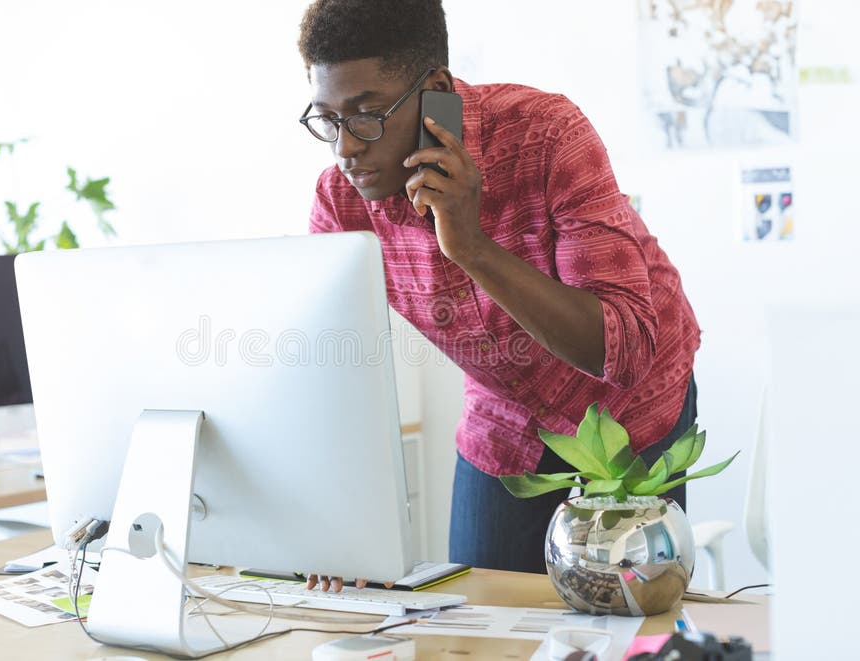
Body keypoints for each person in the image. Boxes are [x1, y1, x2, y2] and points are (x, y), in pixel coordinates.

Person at [297, 0, 701, 589]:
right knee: (482, 616)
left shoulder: (546, 134)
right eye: (327, 119)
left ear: (435, 90)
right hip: (506, 413)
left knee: (624, 620)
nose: (345, 148)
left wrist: (473, 246)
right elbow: (331, 376)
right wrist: (341, 525)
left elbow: (624, 346)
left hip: (634, 403)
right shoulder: (341, 201)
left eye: (366, 116)